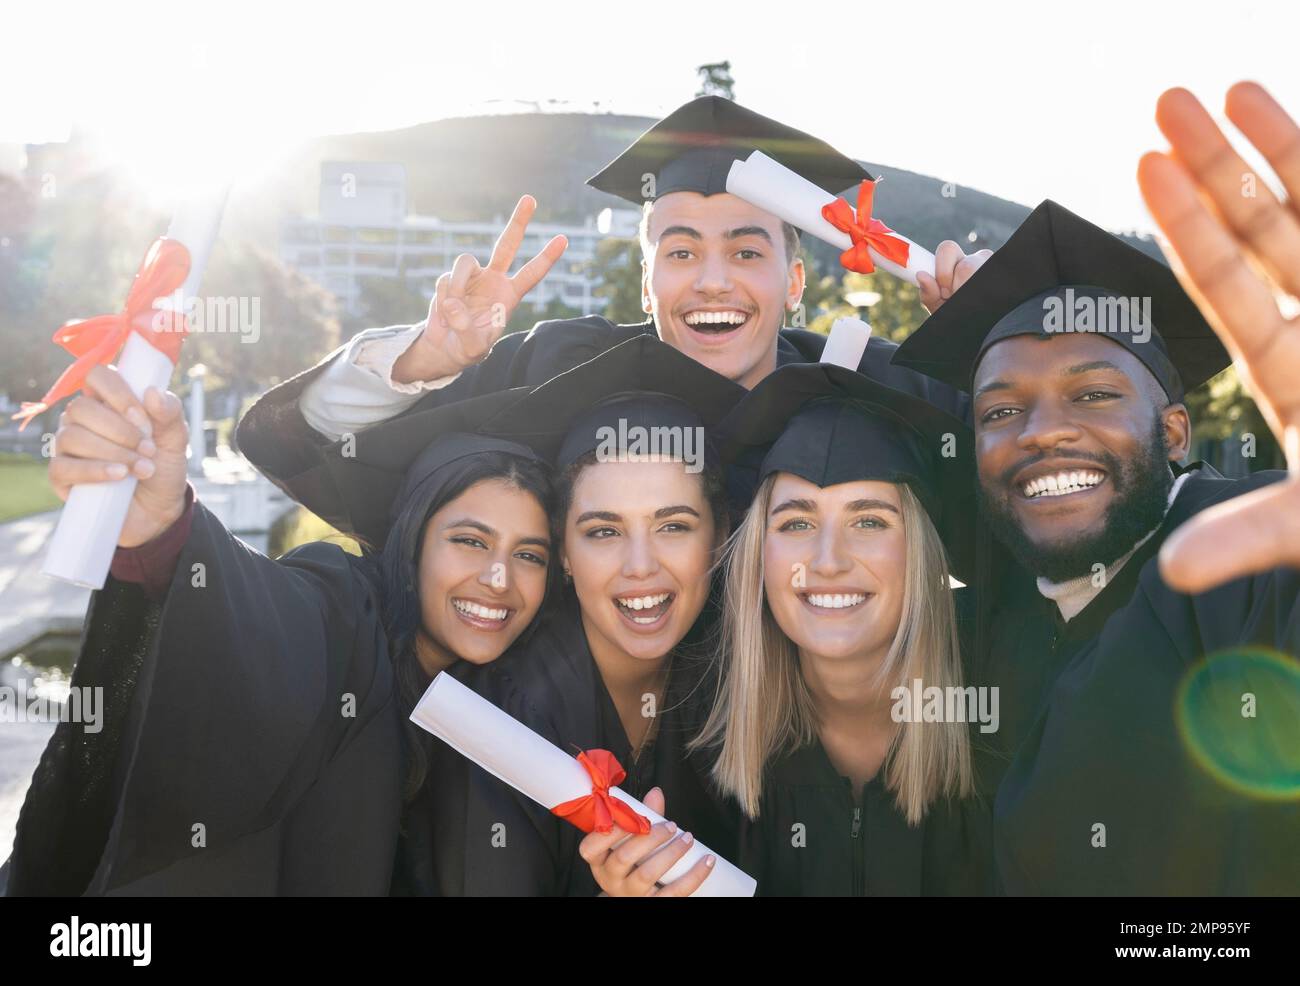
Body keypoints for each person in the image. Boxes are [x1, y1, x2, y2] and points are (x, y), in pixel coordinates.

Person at [234, 96, 989, 534]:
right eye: (682, 252)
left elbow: (1040, 489)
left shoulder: (869, 385)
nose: (713, 282)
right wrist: (422, 361)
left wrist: (987, 347)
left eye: (748, 254)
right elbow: (313, 446)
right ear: (646, 279)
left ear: (796, 279)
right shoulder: (562, 366)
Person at [1, 366, 556, 895]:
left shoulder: (513, 703)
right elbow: (262, 621)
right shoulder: (344, 612)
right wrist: (162, 531)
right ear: (411, 545)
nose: (499, 580)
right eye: (471, 541)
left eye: (529, 554)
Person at [892, 188, 1300, 894]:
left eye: (1094, 395)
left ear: (1173, 432)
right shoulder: (1000, 625)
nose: (1041, 430)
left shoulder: (1252, 571)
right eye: (1002, 409)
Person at [580, 362, 993, 896]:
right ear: (757, 553)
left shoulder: (1002, 716)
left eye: (869, 521)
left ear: (922, 550)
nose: (828, 561)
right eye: (796, 523)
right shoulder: (703, 735)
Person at [397, 336, 747, 895]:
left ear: (720, 536)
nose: (640, 566)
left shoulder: (734, 683)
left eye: (673, 526)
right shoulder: (502, 719)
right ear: (562, 553)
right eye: (604, 531)